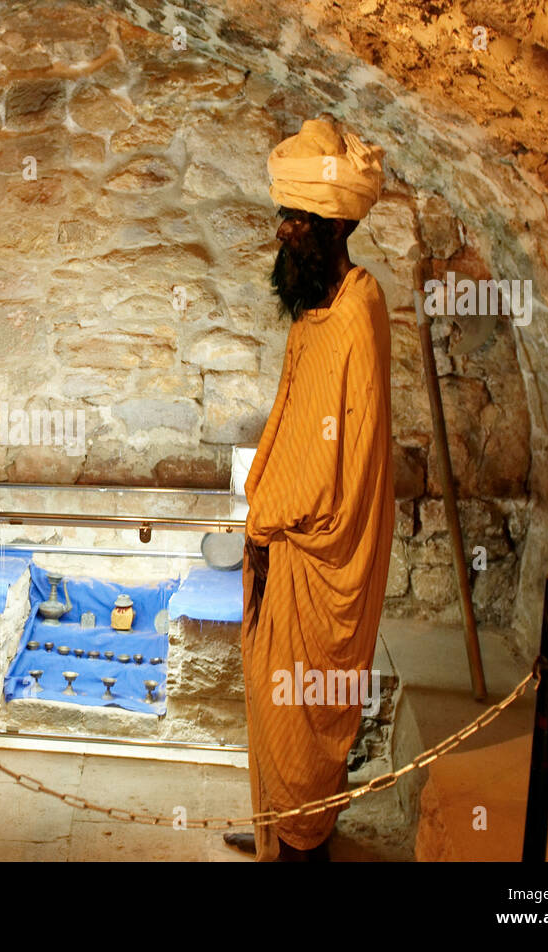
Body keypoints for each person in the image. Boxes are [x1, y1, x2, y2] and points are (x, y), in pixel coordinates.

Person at [223, 118, 394, 861]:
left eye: (299, 219)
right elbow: (293, 422)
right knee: (272, 703)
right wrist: (263, 518)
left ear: (337, 226)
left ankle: (300, 843)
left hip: (317, 554)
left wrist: (269, 520)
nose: (284, 232)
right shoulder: (316, 313)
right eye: (284, 215)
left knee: (300, 711)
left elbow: (335, 469)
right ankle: (277, 827)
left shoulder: (357, 313)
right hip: (282, 541)